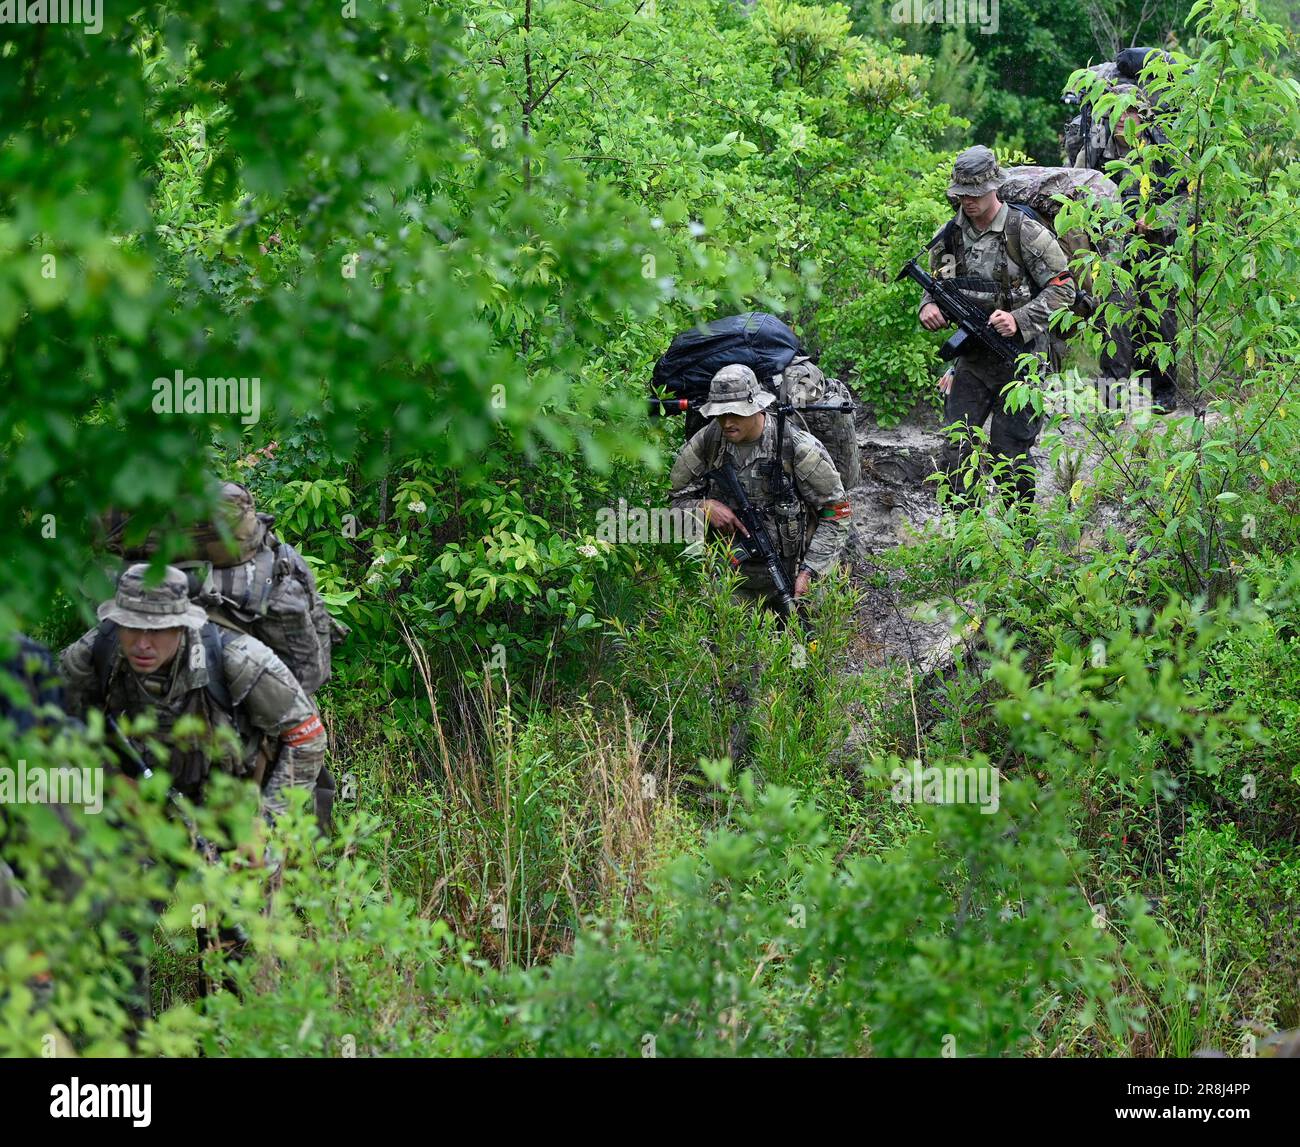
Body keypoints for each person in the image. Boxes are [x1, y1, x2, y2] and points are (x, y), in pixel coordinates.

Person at [919, 145, 1076, 506]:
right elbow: (939, 287)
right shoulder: (950, 236)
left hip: (1022, 361)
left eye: (974, 194)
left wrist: (1018, 319)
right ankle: (966, 537)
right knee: (957, 450)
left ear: (993, 188)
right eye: (962, 195)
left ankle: (1019, 538)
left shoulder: (1025, 232)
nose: (968, 202)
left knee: (1010, 455)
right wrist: (928, 307)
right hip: (973, 361)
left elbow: (1065, 289)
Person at [670, 364, 851, 609]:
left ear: (757, 406)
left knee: (808, 639)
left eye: (736, 412)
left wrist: (811, 572)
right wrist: (705, 507)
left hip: (794, 575)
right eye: (721, 413)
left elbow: (836, 512)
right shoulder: (707, 441)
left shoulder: (796, 446)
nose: (726, 422)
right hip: (733, 581)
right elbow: (674, 504)